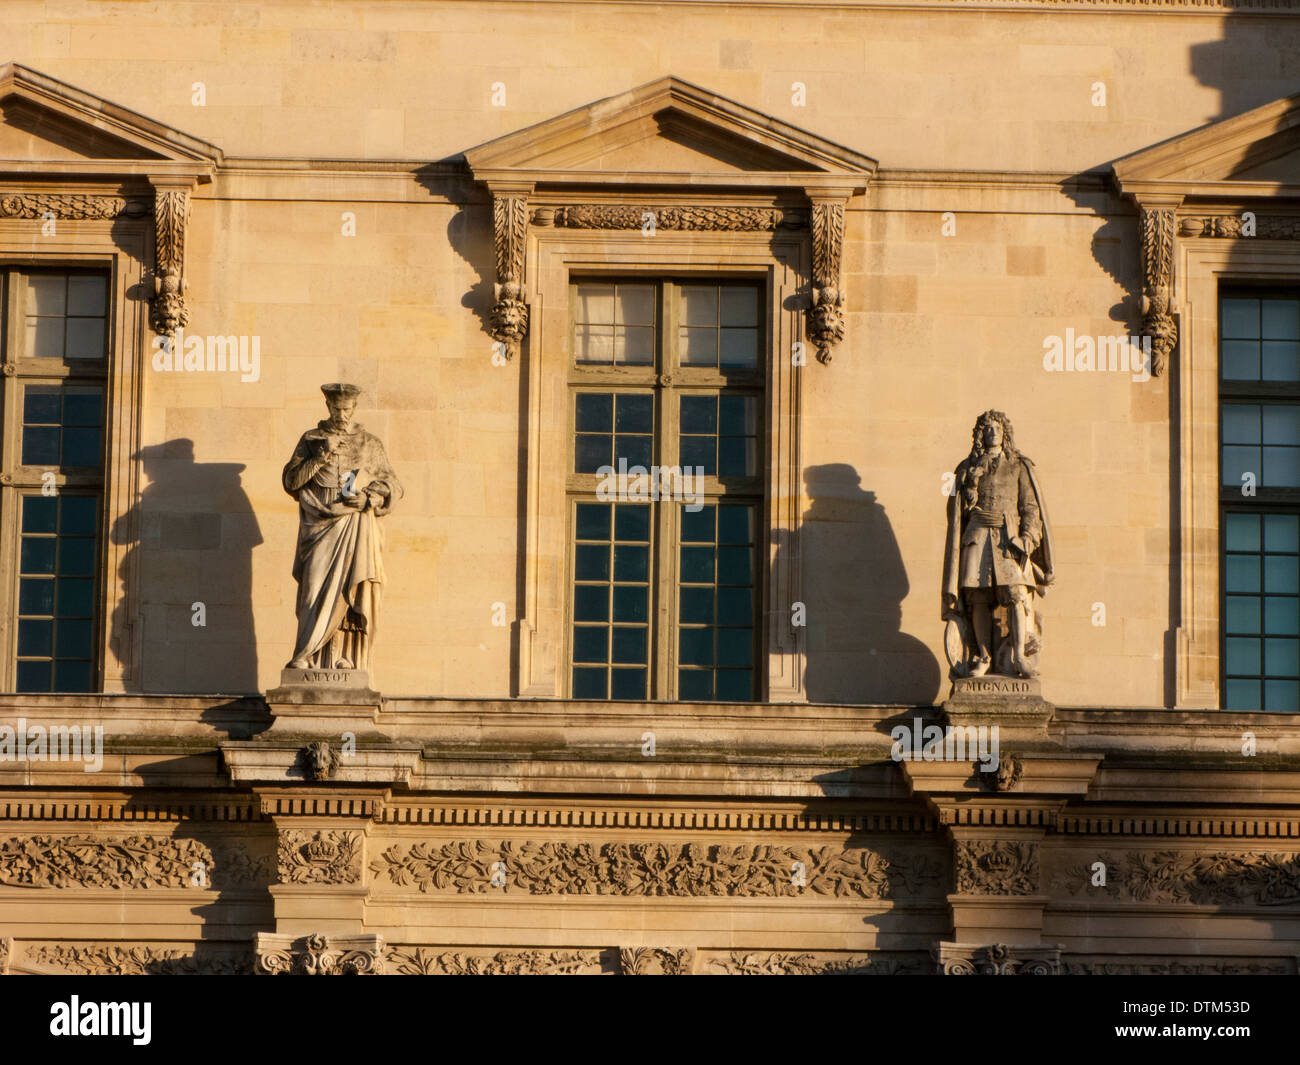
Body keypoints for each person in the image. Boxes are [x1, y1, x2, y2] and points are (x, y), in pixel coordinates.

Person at [282, 383, 402, 672]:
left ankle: (345, 659)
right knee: (313, 592)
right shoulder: (311, 439)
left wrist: (370, 497)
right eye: (336, 408)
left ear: (354, 409)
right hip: (319, 526)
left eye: (347, 408)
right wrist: (319, 458)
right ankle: (307, 654)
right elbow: (291, 482)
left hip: (355, 527)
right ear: (328, 407)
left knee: (351, 592)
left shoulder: (368, 443)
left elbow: (393, 484)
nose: (341, 414)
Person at [942, 410, 1053, 679]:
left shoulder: (1019, 465)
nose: (992, 432)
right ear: (980, 433)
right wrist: (969, 489)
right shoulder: (967, 467)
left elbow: (1030, 507)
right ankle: (982, 656)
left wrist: (1028, 537)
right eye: (987, 428)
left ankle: (1019, 657)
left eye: (996, 428)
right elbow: (955, 512)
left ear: (1005, 433)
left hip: (1008, 539)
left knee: (1015, 594)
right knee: (978, 598)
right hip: (977, 535)